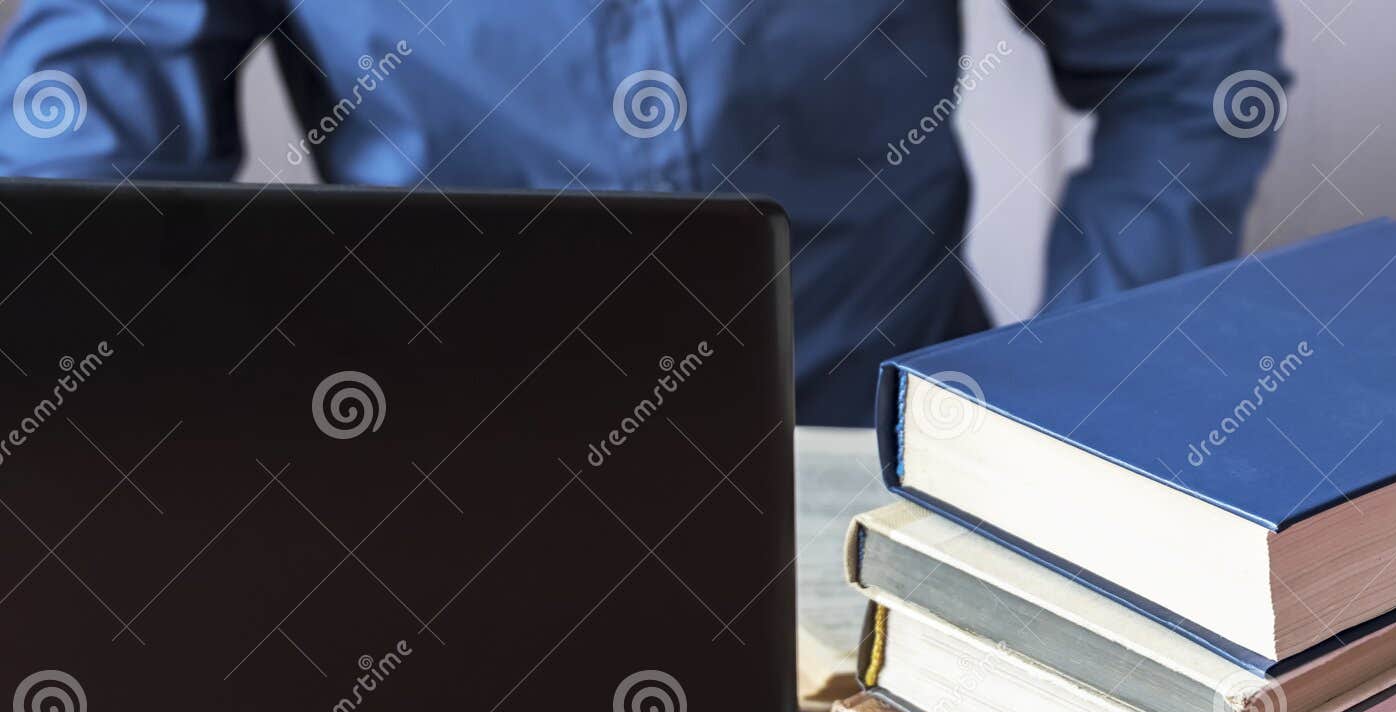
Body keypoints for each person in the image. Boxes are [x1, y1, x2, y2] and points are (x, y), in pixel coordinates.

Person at [0, 1, 1285, 426]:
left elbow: (1186, 51)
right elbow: (77, 180)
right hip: (428, 503)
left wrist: (1098, 411)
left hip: (891, 480)